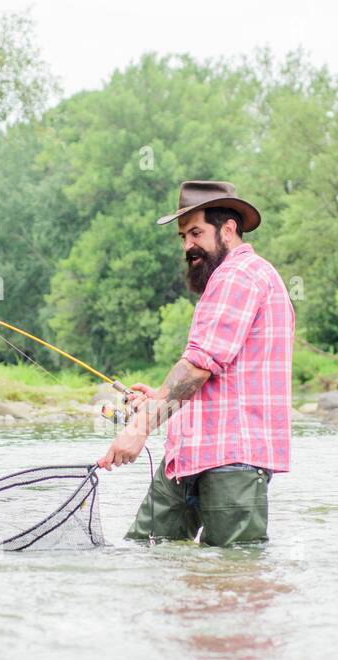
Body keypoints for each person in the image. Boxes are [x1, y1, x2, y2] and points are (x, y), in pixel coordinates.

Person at [97, 180, 294, 546]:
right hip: (190, 455)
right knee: (148, 552)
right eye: (183, 236)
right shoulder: (229, 278)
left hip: (233, 460)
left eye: (197, 232)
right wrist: (157, 397)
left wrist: (138, 428)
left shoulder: (239, 275)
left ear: (229, 230)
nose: (188, 245)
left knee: (235, 576)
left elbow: (198, 367)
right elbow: (215, 375)